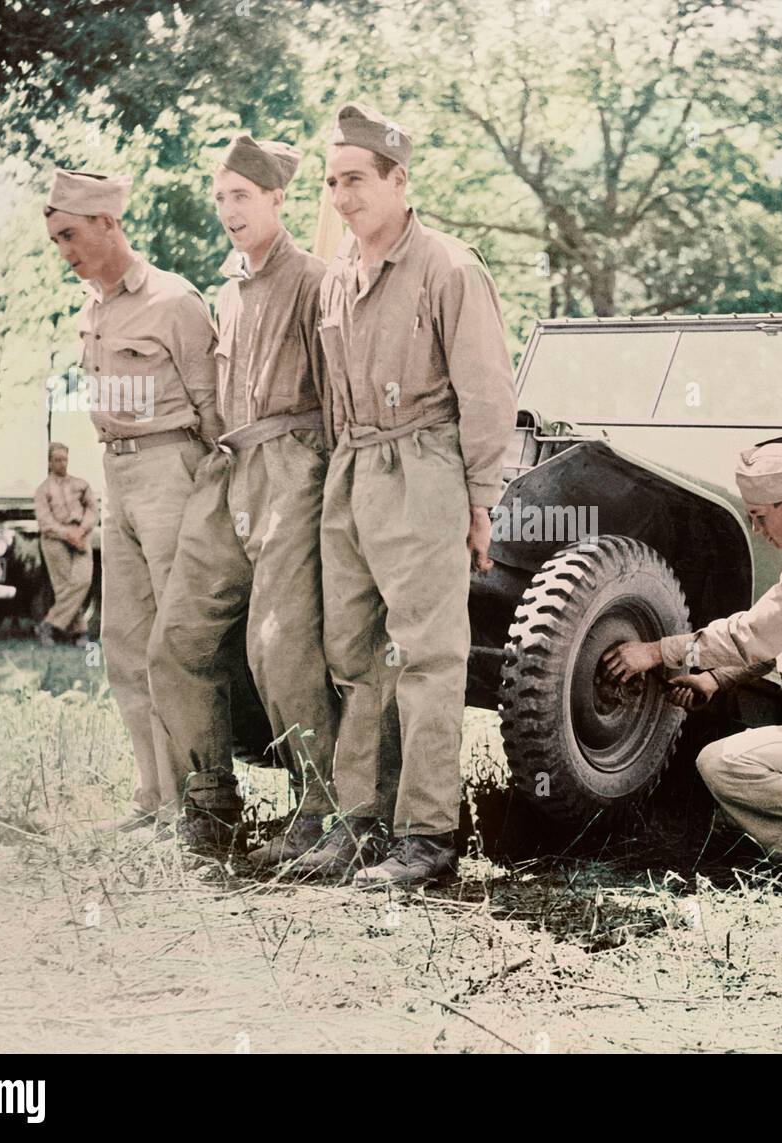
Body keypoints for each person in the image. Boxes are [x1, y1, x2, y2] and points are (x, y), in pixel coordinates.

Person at [292, 101, 517, 887]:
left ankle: (427, 837)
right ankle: (358, 821)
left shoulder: (449, 268)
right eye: (331, 182)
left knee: (426, 655)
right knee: (354, 656)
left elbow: (488, 394)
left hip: (423, 470)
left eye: (356, 179)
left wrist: (481, 501)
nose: (342, 196)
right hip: (352, 472)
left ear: (398, 179)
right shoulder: (335, 282)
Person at [146, 134, 340, 858]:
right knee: (177, 639)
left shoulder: (317, 280)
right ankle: (211, 797)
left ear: (277, 199)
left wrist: (332, 486)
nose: (230, 210)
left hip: (297, 465)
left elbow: (340, 398)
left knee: (280, 646)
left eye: (242, 196)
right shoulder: (226, 290)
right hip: (231, 471)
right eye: (221, 197)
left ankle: (323, 807)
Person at [602, 437, 782, 867]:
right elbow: (778, 643)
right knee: (729, 803)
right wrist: (713, 679)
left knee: (723, 766)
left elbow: (752, 636)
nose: (757, 530)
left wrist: (653, 652)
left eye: (759, 518)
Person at [45, 168, 222, 834]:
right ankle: (158, 794)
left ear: (107, 223)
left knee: (184, 642)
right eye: (56, 239)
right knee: (124, 641)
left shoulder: (174, 300)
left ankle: (206, 799)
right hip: (116, 479)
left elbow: (215, 411)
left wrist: (208, 494)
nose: (65, 250)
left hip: (173, 471)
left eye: (71, 234)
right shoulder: (90, 309)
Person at [33, 441, 97, 647]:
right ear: (50, 462)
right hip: (55, 539)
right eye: (57, 460)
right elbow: (44, 520)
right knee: (64, 588)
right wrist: (67, 534)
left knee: (82, 581)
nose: (62, 464)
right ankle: (80, 633)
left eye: (65, 459)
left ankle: (48, 625)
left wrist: (81, 530)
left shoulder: (81, 484)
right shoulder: (43, 490)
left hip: (81, 535)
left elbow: (92, 510)